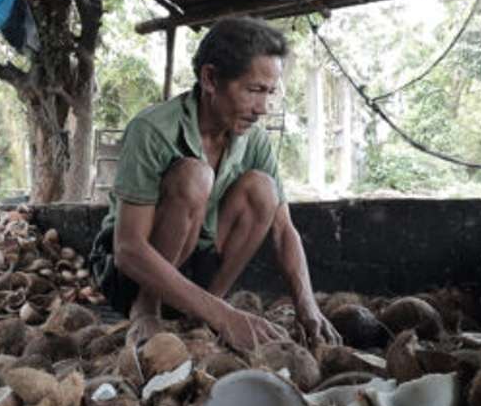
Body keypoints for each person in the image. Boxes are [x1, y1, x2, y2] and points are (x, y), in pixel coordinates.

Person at [90, 17, 341, 352]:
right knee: (195, 176)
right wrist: (226, 317)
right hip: (133, 276)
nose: (263, 108)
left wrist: (307, 306)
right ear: (210, 79)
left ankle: (206, 306)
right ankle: (147, 308)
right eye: (253, 90)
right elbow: (128, 250)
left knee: (262, 189)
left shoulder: (253, 140)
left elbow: (283, 231)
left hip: (195, 267)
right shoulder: (152, 129)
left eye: (269, 92)